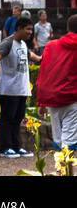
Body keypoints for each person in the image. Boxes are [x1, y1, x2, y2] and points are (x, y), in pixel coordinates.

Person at [0, 17, 42, 158]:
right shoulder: (8, 43)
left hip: (21, 89)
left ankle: (16, 147)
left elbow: (30, 55)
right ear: (18, 28)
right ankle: (5, 148)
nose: (30, 32)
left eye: (31, 29)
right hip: (8, 89)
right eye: (27, 29)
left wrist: (40, 59)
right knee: (7, 118)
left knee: (17, 119)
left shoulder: (22, 44)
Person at [36, 13, 77, 153]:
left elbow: (44, 74)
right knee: (69, 145)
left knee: (59, 143)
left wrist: (41, 102)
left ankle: (61, 171)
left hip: (52, 100)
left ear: (67, 28)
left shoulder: (51, 46)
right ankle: (65, 173)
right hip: (72, 99)